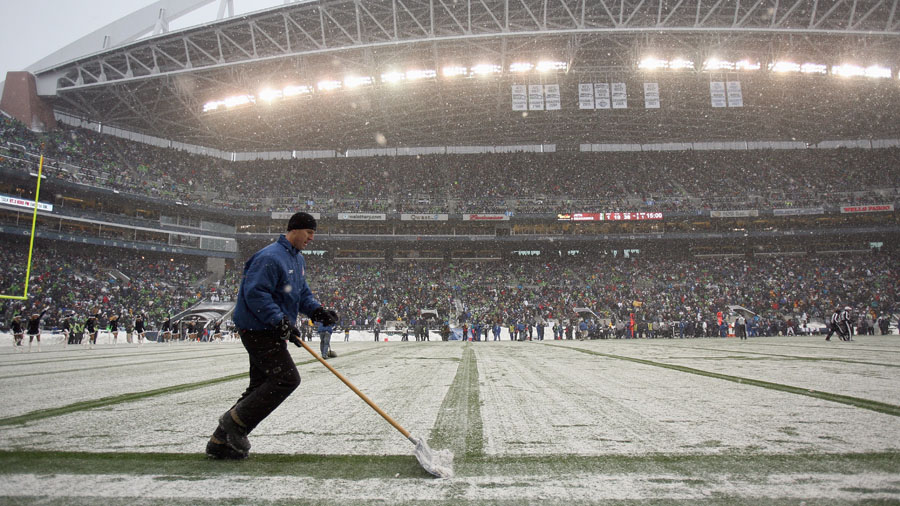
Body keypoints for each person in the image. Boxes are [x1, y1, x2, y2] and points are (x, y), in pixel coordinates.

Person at [207, 212, 339, 460]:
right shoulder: (269, 257)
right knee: (286, 379)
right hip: (258, 330)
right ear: (295, 229)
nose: (311, 238)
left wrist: (318, 311)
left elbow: (301, 294)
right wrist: (279, 321)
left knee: (259, 387)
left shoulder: (297, 260)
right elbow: (256, 294)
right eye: (309, 232)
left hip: (270, 330)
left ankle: (219, 441)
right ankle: (234, 424)